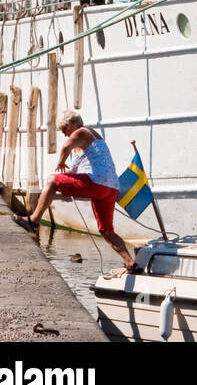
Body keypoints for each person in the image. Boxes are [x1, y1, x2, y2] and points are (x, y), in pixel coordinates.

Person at [13, 112, 136, 273]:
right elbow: (76, 171)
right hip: (111, 188)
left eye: (64, 130)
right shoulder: (91, 140)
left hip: (97, 183)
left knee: (52, 180)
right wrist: (66, 182)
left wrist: (60, 163)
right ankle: (130, 263)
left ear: (70, 125)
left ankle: (33, 221)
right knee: (106, 231)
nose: (64, 134)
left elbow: (65, 147)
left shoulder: (82, 132)